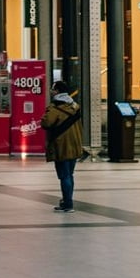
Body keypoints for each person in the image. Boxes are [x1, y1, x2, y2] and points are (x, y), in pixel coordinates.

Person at [43, 84, 85, 212]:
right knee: (70, 175)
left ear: (57, 91)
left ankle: (68, 204)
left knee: (64, 176)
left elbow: (45, 123)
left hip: (61, 145)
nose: (51, 91)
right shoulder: (75, 106)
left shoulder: (55, 107)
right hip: (74, 144)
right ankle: (67, 200)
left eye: (53, 89)